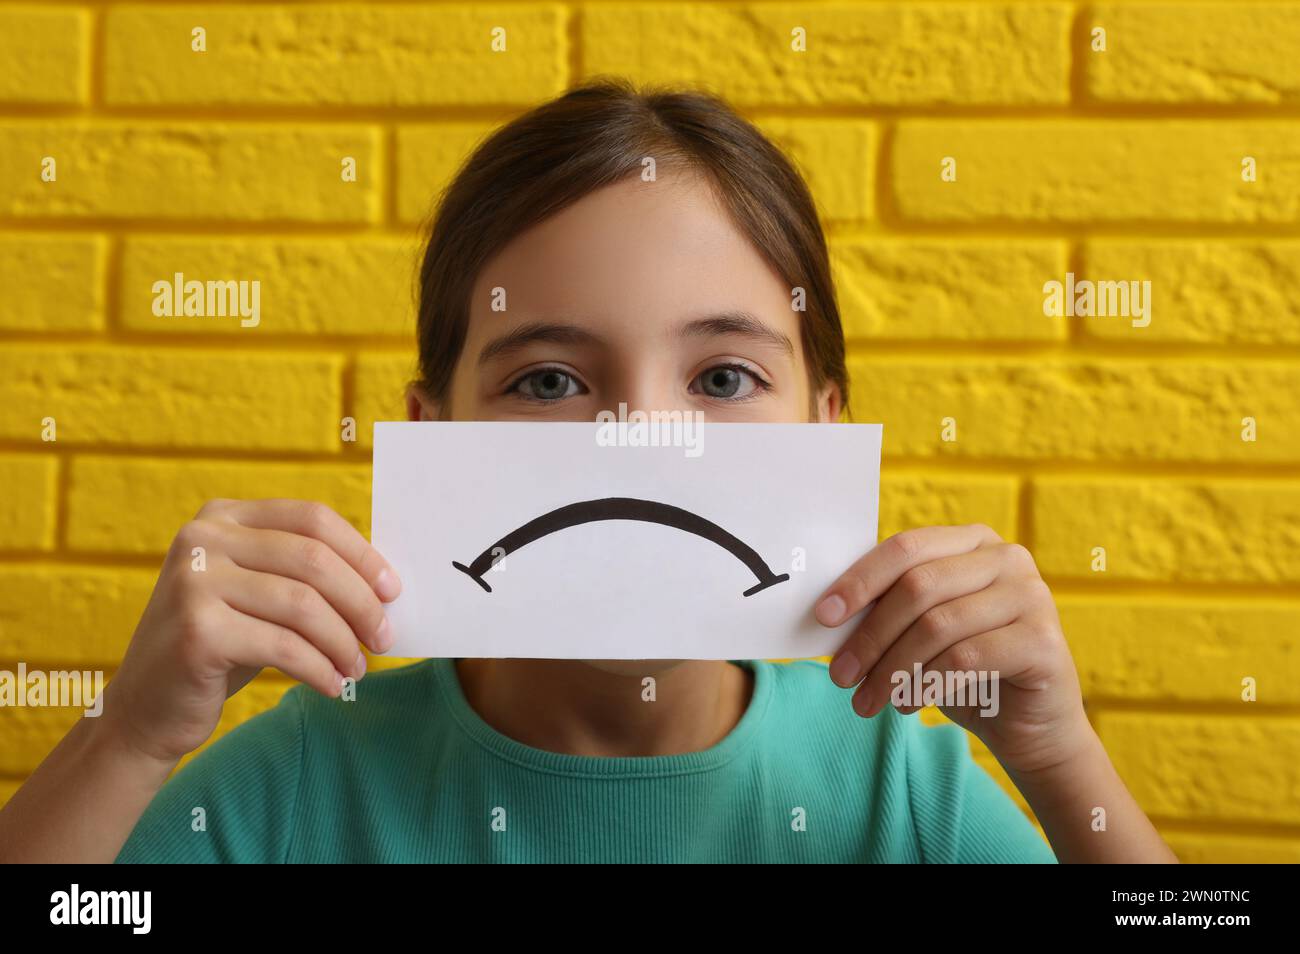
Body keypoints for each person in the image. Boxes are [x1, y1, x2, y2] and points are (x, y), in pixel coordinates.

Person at [0, 78, 1176, 863]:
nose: (640, 445)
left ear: (826, 425)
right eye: (549, 382)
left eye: (720, 379)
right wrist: (125, 741)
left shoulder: (902, 791)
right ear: (434, 431)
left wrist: (1063, 757)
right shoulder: (295, 787)